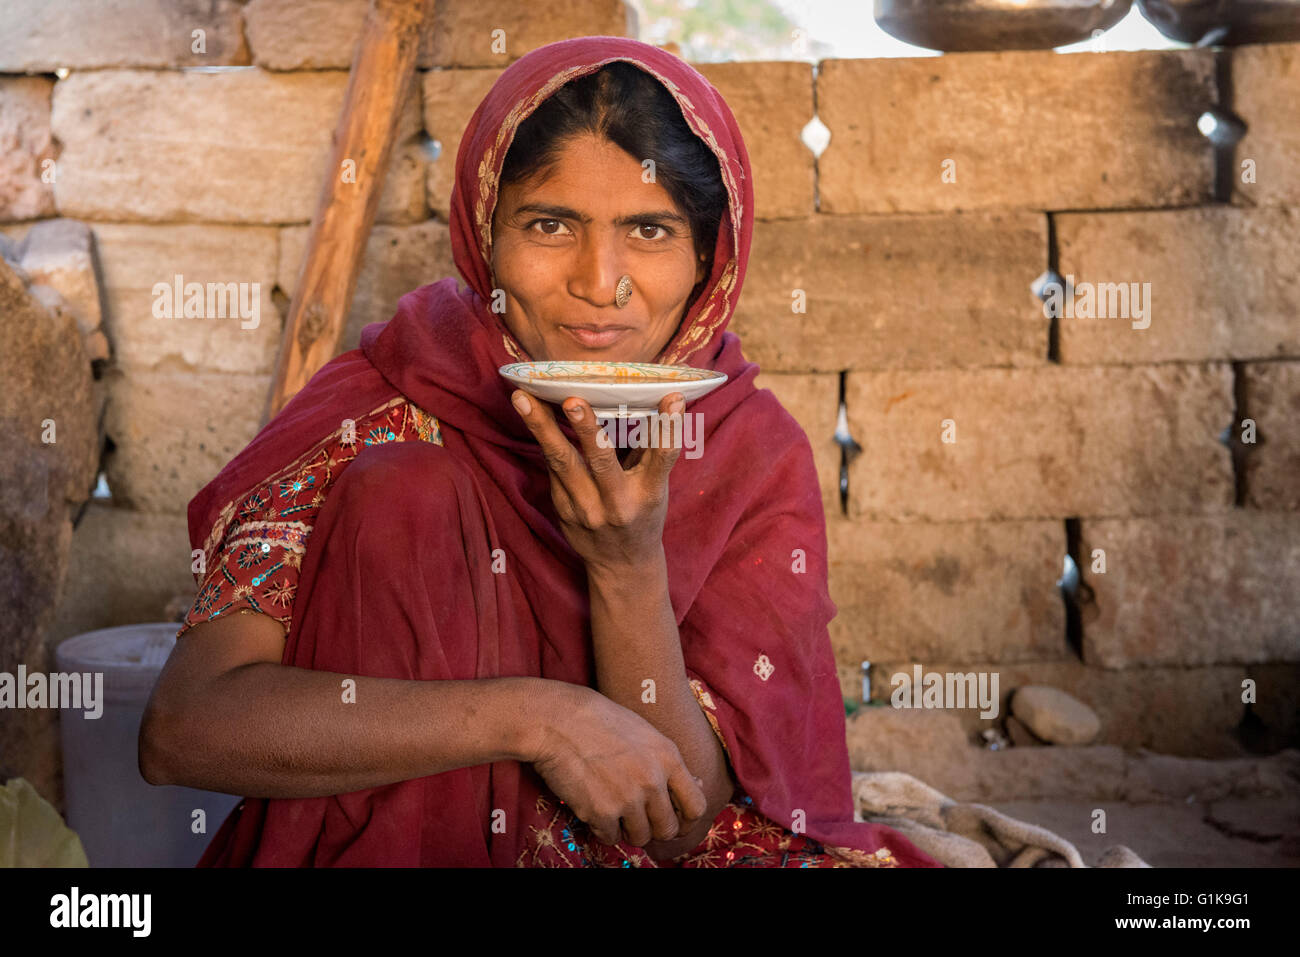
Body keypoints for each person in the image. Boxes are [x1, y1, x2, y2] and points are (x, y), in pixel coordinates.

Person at [139, 35, 941, 869]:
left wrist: (625, 565)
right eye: (550, 224)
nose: (601, 281)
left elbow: (682, 826)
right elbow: (184, 729)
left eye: (650, 229)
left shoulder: (746, 447)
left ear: (709, 257)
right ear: (485, 238)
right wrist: (537, 716)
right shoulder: (381, 399)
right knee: (403, 496)